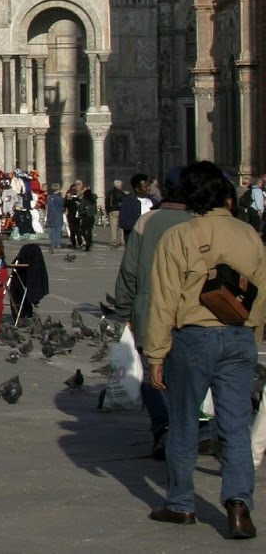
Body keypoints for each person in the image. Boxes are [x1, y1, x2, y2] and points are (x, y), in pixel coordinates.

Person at [144, 161, 266, 537]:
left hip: (194, 338)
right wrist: (251, 338)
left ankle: (181, 504)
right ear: (226, 196)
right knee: (235, 426)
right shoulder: (250, 235)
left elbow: (163, 301)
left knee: (183, 423)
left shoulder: (178, 237)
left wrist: (155, 353)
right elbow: (260, 294)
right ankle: (239, 505)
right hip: (239, 335)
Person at [114, 167, 192, 461]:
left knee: (151, 373)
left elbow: (129, 270)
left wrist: (125, 308)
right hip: (189, 313)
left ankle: (163, 427)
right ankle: (195, 428)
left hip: (148, 309)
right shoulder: (198, 222)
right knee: (189, 374)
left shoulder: (146, 221)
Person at [118, 174, 153, 246]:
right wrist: (142, 224)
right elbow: (123, 223)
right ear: (137, 189)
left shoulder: (155, 202)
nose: (148, 188)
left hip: (152, 241)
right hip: (135, 242)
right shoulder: (128, 203)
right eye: (145, 187)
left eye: (149, 186)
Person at [45, 184, 66, 252]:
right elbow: (62, 207)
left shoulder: (49, 197)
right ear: (58, 189)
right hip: (58, 214)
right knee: (58, 230)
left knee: (53, 230)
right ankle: (57, 243)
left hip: (51, 215)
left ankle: (53, 243)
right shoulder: (59, 198)